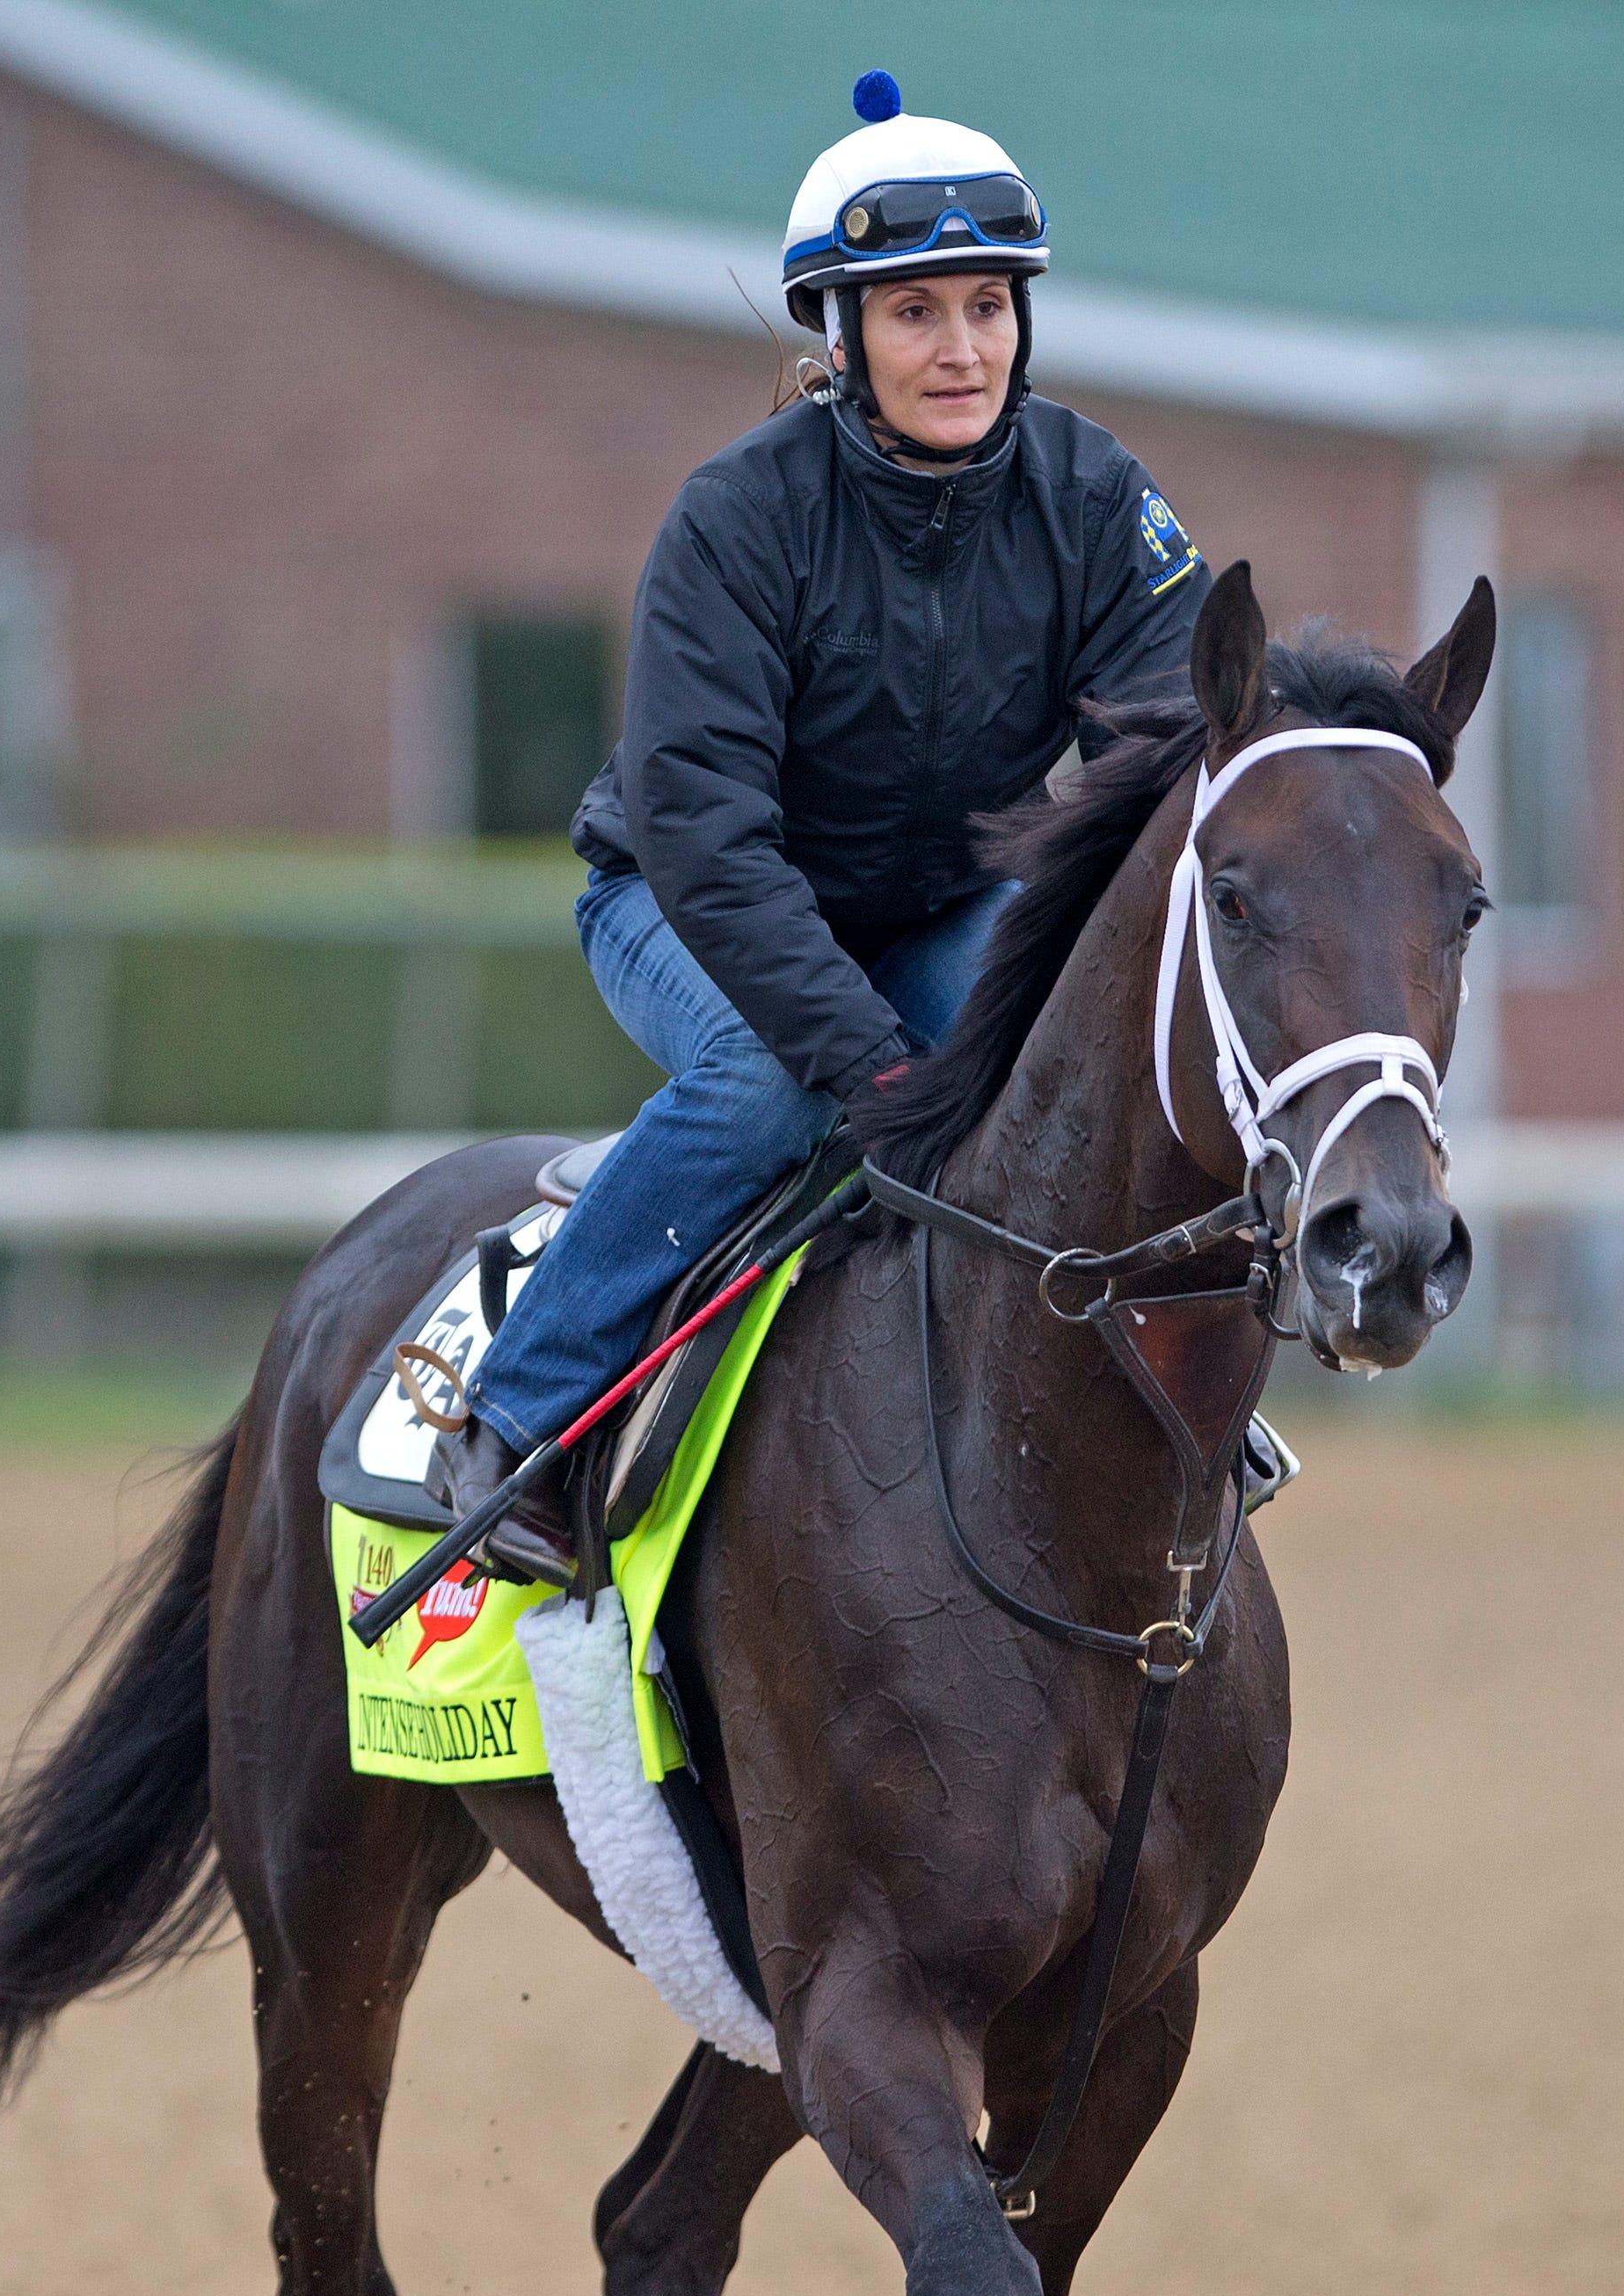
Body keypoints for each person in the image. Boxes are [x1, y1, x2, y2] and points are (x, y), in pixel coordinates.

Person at [435, 71, 1212, 1582]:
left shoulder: (1097, 499)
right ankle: (518, 1414)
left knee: (1071, 1059)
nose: (962, 348)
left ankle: (1142, 1412)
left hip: (935, 905)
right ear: (841, 336)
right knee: (767, 1089)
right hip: (679, 900)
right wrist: (870, 1061)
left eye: (987, 308)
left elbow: (1170, 757)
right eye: (916, 313)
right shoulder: (735, 520)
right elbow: (707, 837)